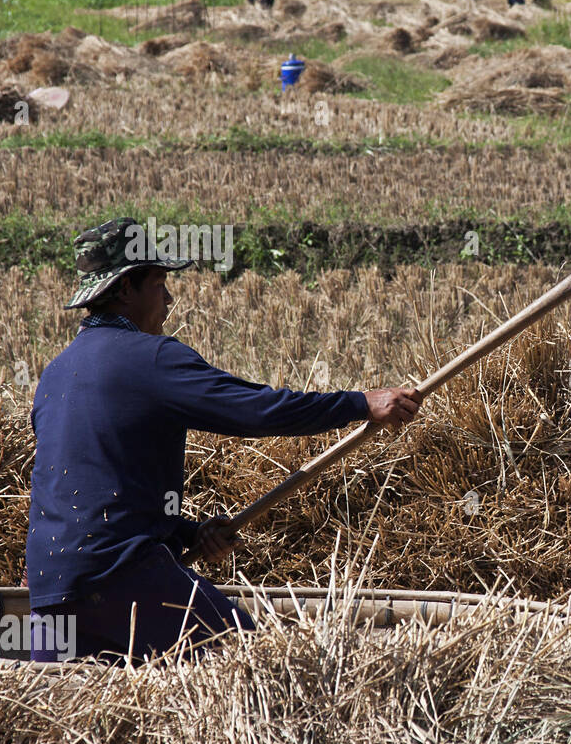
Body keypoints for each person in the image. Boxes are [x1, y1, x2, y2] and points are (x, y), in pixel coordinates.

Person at [25, 218, 424, 663]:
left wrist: (185, 534)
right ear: (123, 290)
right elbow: (257, 410)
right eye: (159, 283)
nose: (169, 299)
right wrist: (360, 404)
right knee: (253, 664)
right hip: (123, 576)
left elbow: (89, 488)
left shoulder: (54, 374)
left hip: (50, 590)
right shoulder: (151, 358)